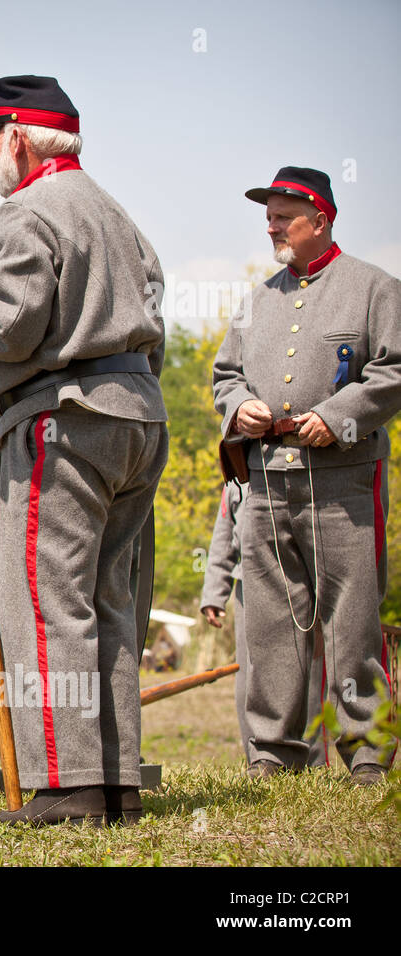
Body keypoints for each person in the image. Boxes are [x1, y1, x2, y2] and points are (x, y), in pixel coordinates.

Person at [0, 76, 169, 826]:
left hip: (60, 418)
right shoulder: (119, 217)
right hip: (137, 418)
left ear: (18, 138)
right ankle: (115, 781)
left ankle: (67, 787)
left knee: (46, 603)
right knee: (108, 603)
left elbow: (11, 328)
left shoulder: (24, 212)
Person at [212, 166, 400, 785]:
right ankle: (271, 754)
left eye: (283, 215)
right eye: (267, 215)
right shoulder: (257, 297)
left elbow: (394, 371)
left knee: (352, 622)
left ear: (320, 220)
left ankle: (367, 754)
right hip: (266, 482)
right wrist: (238, 406)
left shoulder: (375, 288)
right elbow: (225, 376)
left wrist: (338, 416)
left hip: (346, 480)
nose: (271, 225)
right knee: (267, 624)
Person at [200, 483, 327, 765]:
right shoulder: (237, 479)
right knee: (249, 679)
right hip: (249, 587)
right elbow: (223, 537)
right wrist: (214, 594)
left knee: (310, 675)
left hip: (304, 584)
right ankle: (260, 760)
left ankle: (314, 761)